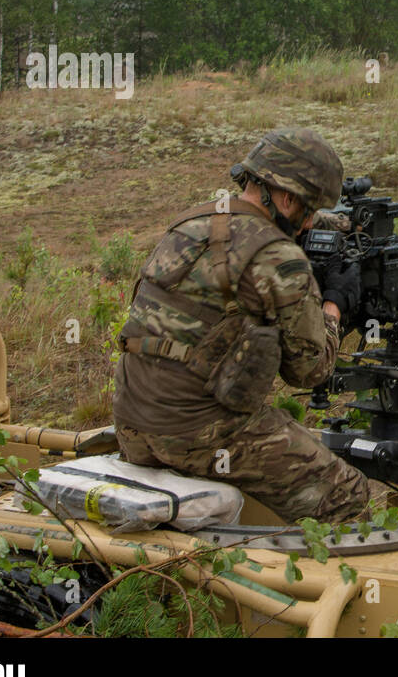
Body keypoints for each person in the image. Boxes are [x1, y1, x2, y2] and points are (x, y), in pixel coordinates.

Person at [112, 127, 370, 523]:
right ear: (286, 198)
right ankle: (305, 582)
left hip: (132, 423)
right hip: (193, 435)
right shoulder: (278, 256)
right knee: (345, 491)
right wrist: (334, 307)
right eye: (310, 209)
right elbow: (310, 371)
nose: (309, 223)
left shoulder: (191, 224)